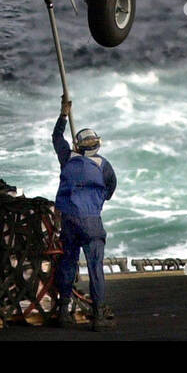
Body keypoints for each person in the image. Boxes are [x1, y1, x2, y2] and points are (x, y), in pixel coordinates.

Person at [51, 103, 117, 331]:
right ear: (97, 145)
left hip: (68, 219)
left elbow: (56, 136)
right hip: (91, 221)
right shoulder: (103, 165)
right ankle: (98, 316)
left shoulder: (67, 158)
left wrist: (63, 115)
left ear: (77, 145)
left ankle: (63, 311)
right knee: (95, 267)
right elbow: (111, 188)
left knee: (68, 262)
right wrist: (97, 201)